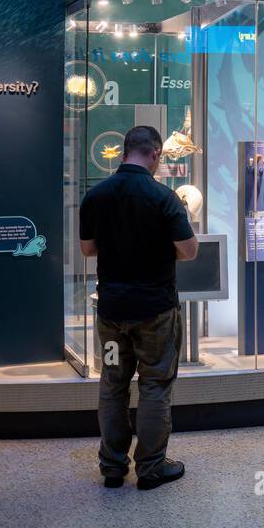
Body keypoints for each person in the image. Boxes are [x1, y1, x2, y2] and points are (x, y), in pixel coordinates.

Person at [79, 125, 198, 490]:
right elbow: (190, 251)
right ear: (156, 154)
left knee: (113, 383)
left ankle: (113, 467)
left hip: (111, 313)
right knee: (155, 385)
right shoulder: (164, 198)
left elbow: (87, 249)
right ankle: (150, 468)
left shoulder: (95, 196)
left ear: (125, 149)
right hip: (155, 314)